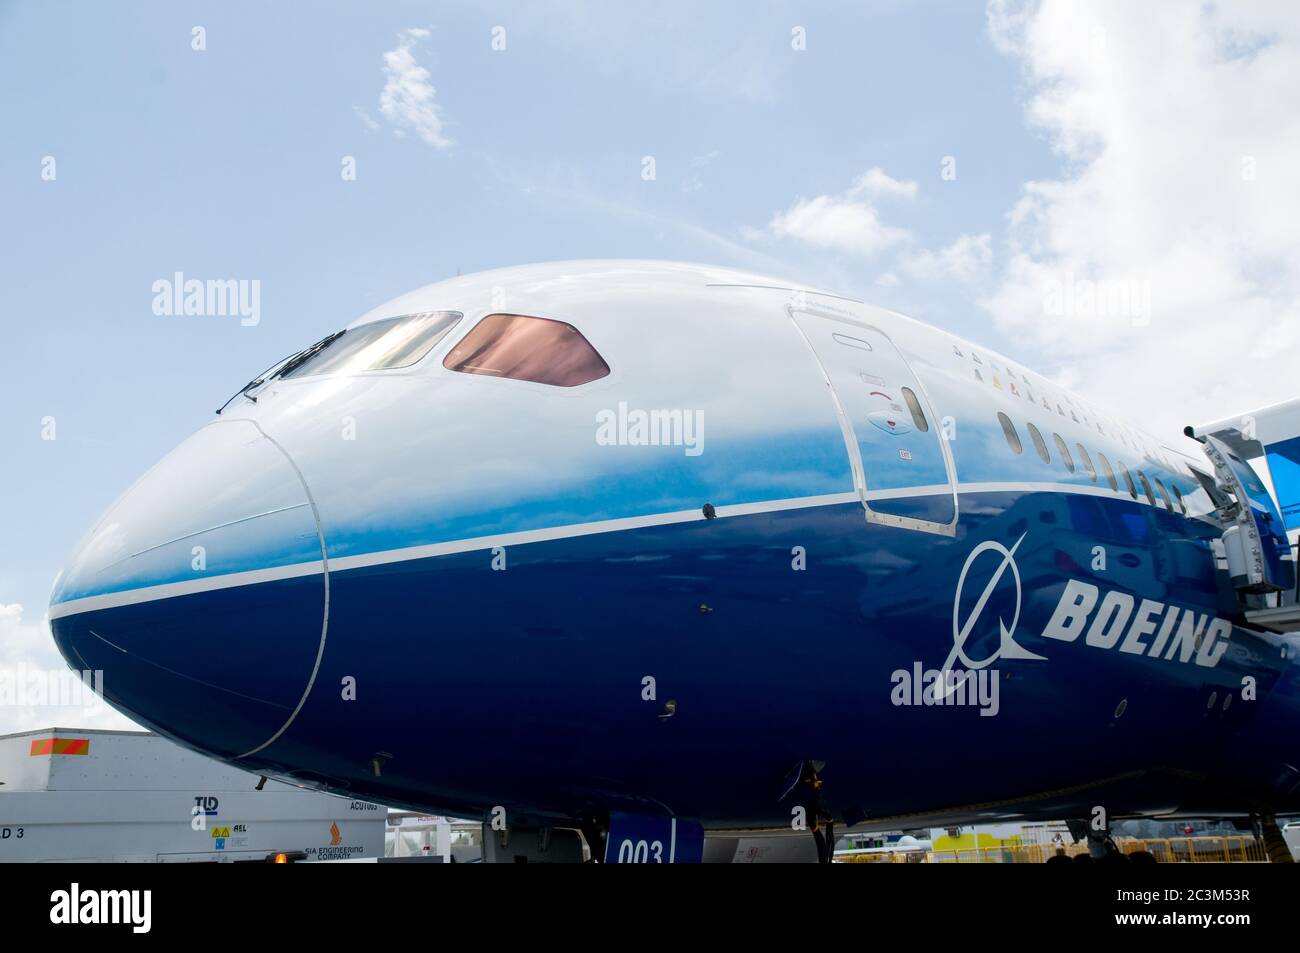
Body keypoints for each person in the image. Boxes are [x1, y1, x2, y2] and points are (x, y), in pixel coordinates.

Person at [800, 761, 835, 863]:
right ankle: (810, 774)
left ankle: (808, 772)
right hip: (817, 818)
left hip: (814, 818)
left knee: (823, 842)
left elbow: (825, 845)